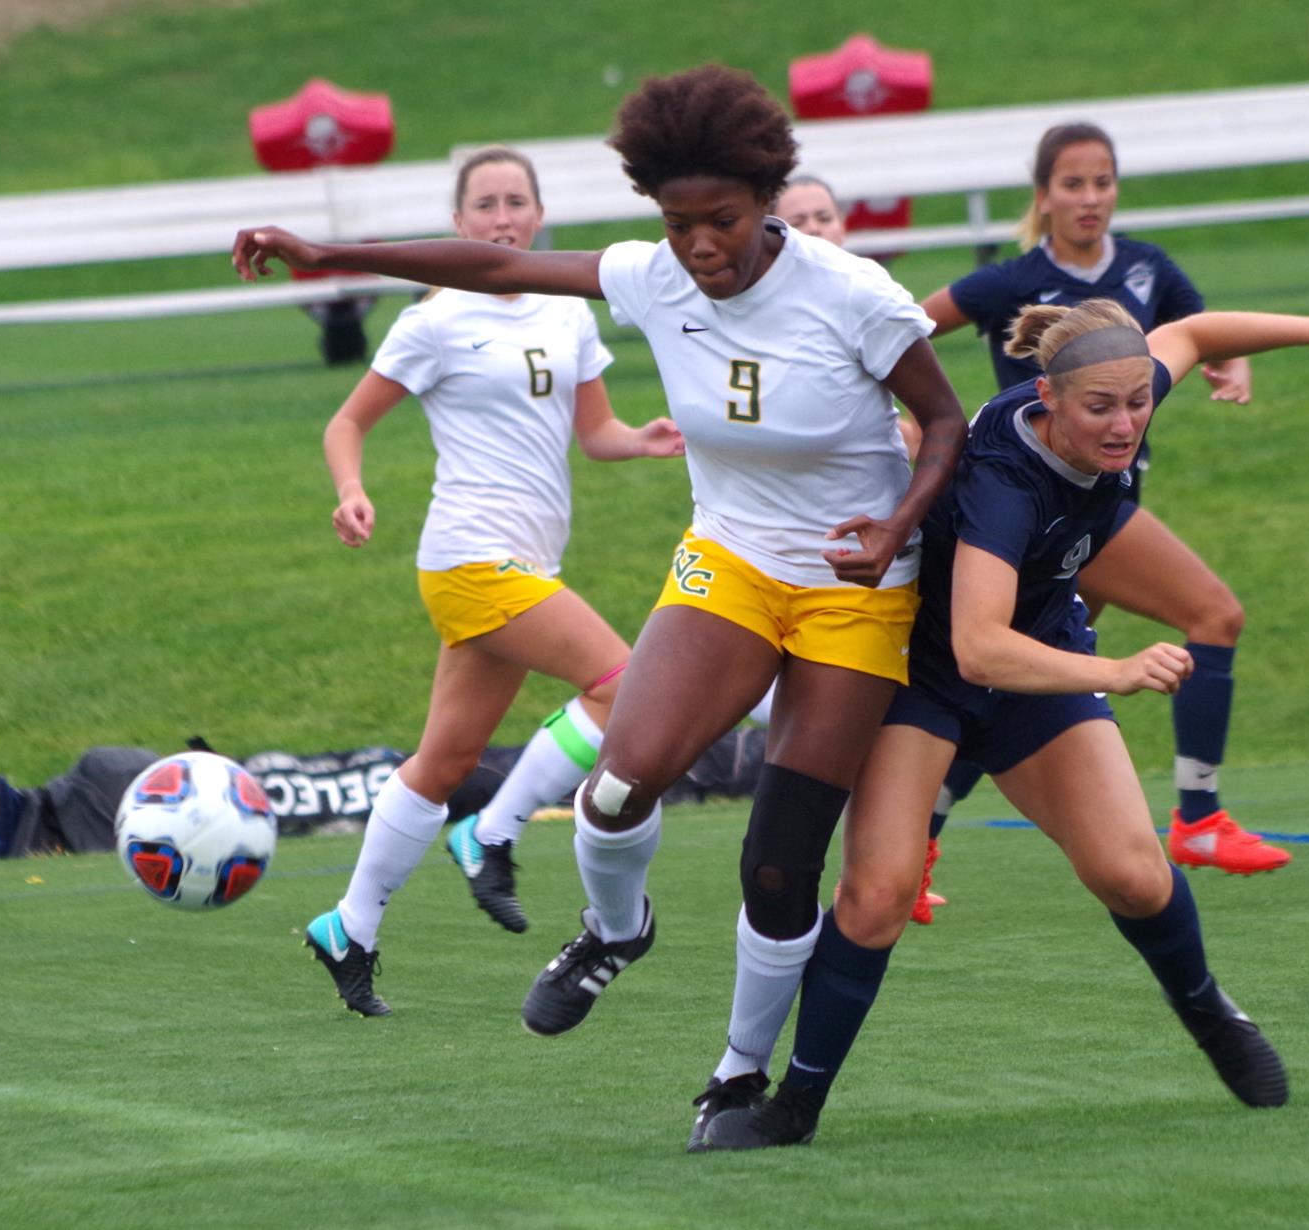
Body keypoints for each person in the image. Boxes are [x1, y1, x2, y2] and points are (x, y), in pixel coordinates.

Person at [233, 63, 967, 1102]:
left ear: (766, 201)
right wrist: (329, 254)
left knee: (778, 862)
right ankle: (615, 931)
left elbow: (944, 421)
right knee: (616, 788)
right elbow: (497, 267)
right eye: (676, 224)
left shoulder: (851, 293)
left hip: (857, 588)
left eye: (720, 222)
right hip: (730, 563)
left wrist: (896, 526)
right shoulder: (652, 276)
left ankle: (738, 1075)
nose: (698, 247)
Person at [696, 268, 1309, 1150]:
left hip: (1036, 657)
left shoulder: (1119, 389)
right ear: (1048, 399)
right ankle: (794, 1105)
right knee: (876, 897)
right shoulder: (1005, 483)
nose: (1124, 425)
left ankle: (1208, 1011)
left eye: (1138, 403)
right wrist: (1117, 668)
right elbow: (977, 647)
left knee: (1134, 876)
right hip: (926, 679)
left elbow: (1192, 334)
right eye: (1101, 408)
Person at [297, 146, 684, 1016]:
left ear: (539, 216)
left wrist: (641, 439)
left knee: (443, 761)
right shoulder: (435, 319)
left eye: (516, 202)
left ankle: (349, 925)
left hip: (527, 563)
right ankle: (494, 830)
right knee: (622, 683)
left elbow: (595, 434)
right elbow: (346, 423)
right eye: (485, 204)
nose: (502, 218)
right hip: (468, 560)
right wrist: (351, 490)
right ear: (459, 222)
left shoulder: (568, 309)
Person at [919, 121, 1286, 877]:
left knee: (1027, 685)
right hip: (1031, 519)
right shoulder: (1009, 281)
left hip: (1094, 517)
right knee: (1210, 615)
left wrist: (1233, 362)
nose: (1089, 198)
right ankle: (1200, 818)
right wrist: (926, 423)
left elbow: (1200, 331)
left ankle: (922, 837)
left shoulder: (1148, 268)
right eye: (1072, 183)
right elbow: (901, 336)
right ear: (1042, 196)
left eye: (1102, 181)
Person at [776, 173, 944, 926]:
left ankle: (878, 875)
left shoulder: (866, 300)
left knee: (881, 728)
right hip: (779, 574)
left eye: (826, 215)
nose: (816, 228)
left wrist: (906, 474)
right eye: (798, 219)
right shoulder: (762, 321)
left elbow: (934, 422)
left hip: (870, 574)